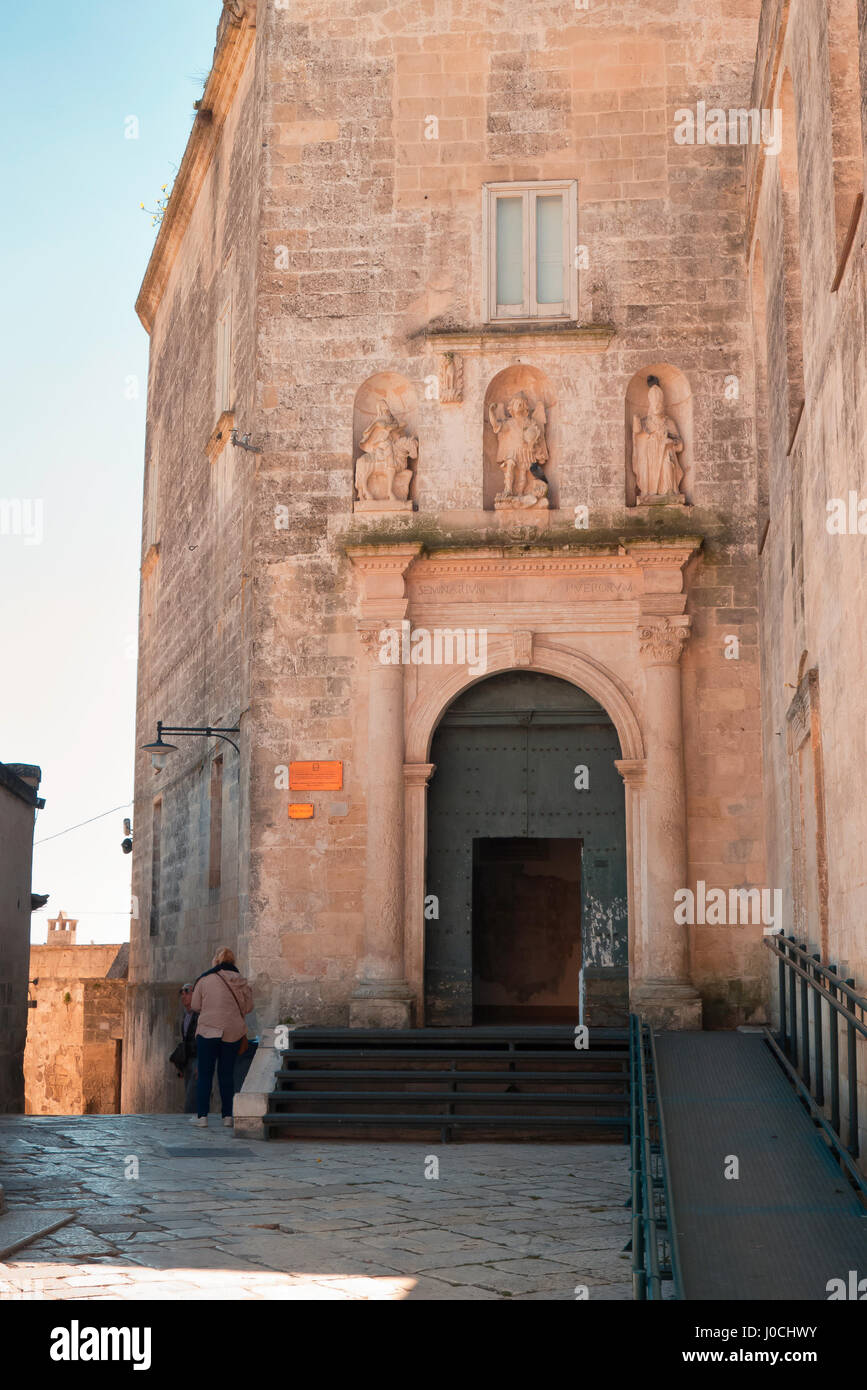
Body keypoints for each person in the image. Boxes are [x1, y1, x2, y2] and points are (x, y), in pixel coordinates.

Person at [189, 948, 253, 1128]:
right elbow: (248, 1008)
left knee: (205, 1074)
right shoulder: (241, 981)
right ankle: (227, 1116)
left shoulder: (205, 979)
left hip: (209, 1030)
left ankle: (202, 1117)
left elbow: (195, 1005)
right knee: (226, 1074)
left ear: (216, 961)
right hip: (232, 1032)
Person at [179, 984, 199, 1113]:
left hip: (197, 1058)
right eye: (181, 992)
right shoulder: (185, 1016)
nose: (183, 995)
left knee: (192, 1096)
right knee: (189, 1092)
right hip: (188, 1061)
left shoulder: (199, 1015)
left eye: (187, 991)